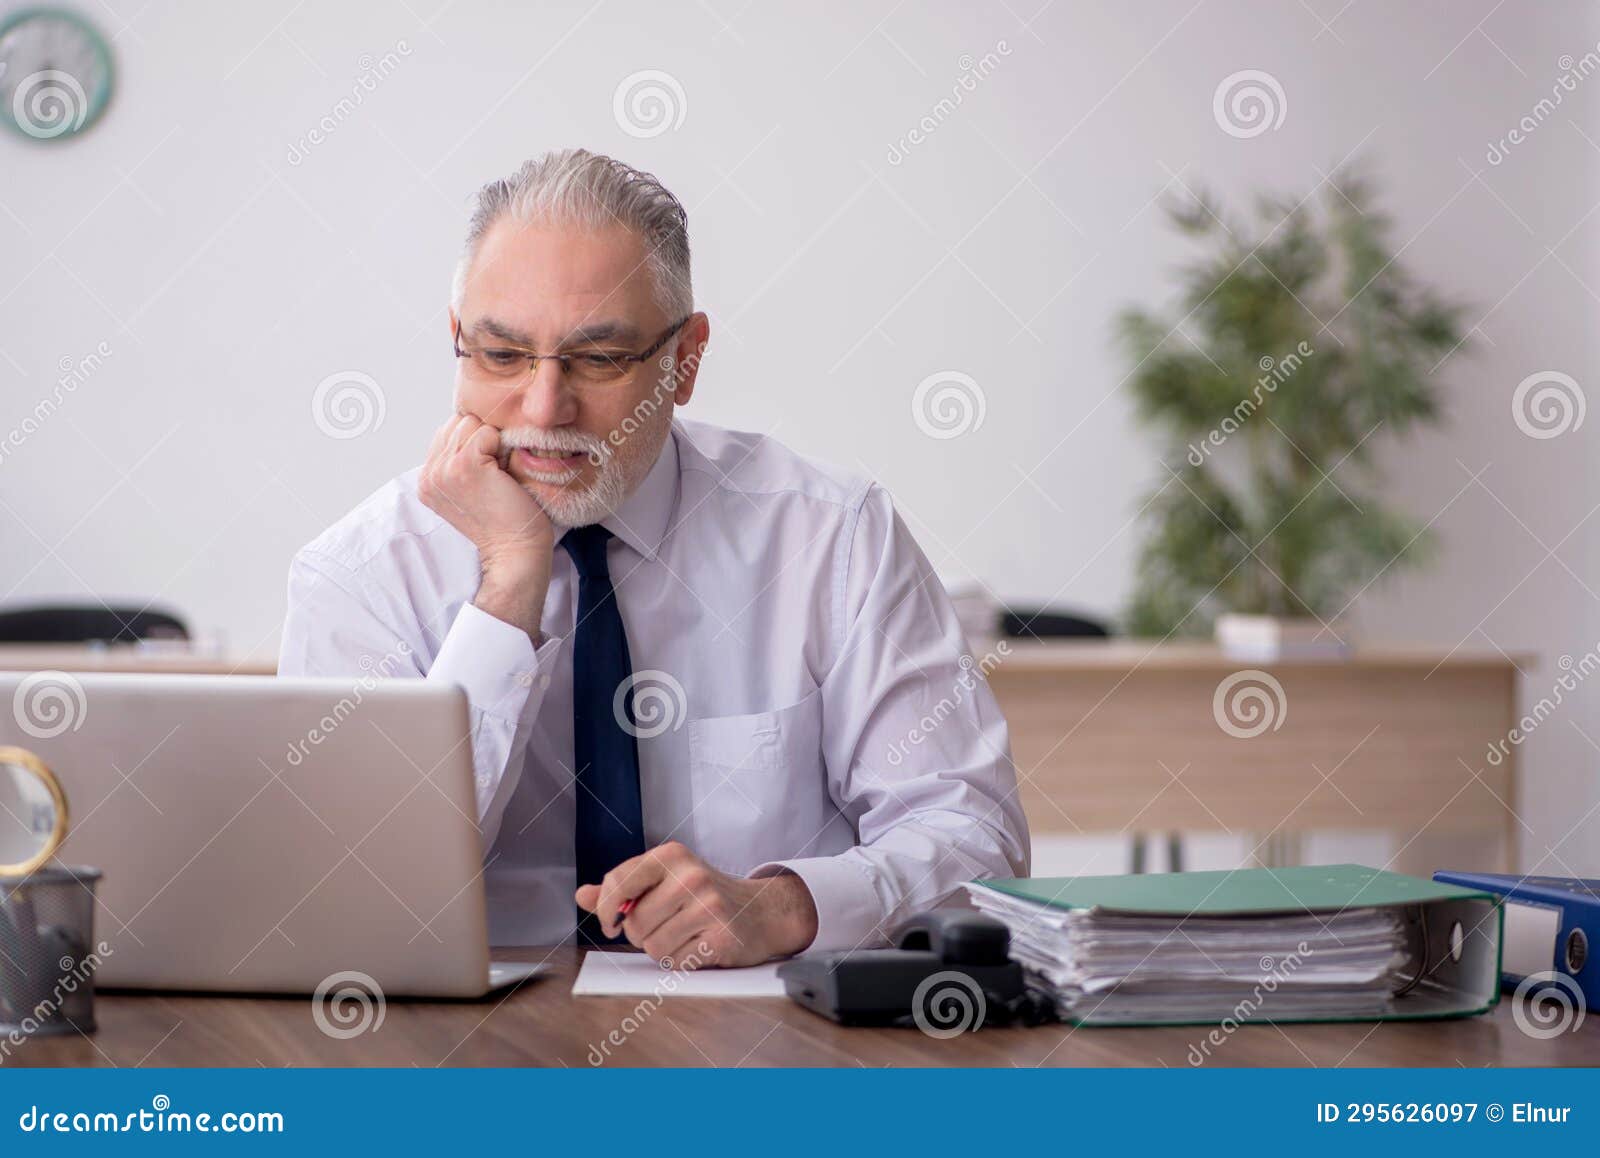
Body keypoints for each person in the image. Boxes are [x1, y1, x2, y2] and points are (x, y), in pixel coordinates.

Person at [279, 148, 1029, 967]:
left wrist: (788, 905)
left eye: (598, 359)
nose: (544, 406)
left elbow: (975, 837)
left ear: (687, 359)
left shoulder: (830, 537)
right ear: (456, 340)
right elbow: (345, 899)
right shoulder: (357, 574)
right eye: (501, 355)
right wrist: (510, 580)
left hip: (763, 1050)